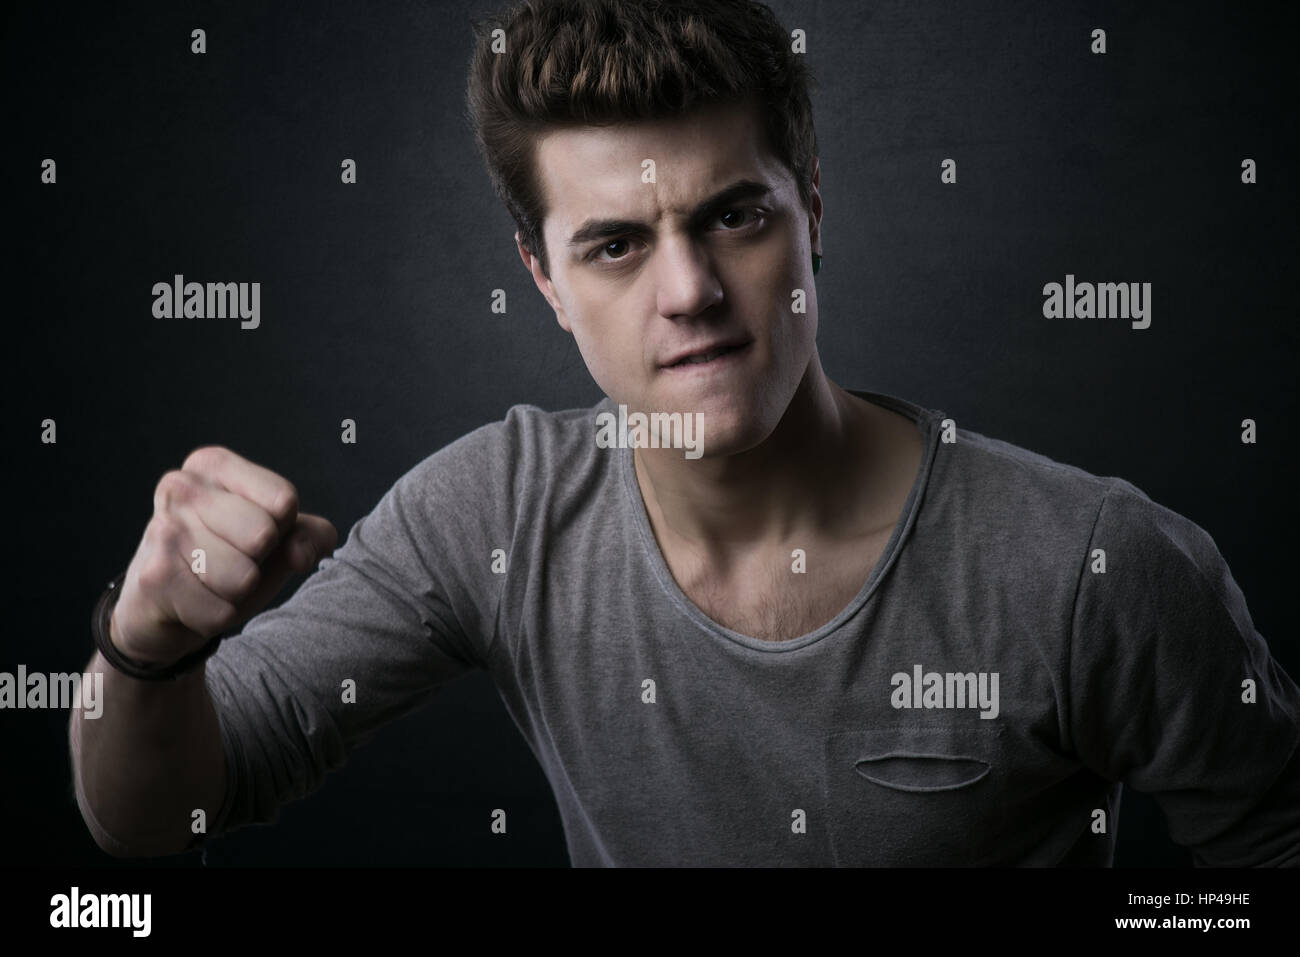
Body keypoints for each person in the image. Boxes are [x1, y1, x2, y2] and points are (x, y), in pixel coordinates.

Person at [69, 0, 1300, 866]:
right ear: (543, 281)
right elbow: (163, 813)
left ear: (810, 209)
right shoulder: (495, 516)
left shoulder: (1094, 564)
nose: (690, 293)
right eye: (614, 244)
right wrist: (147, 648)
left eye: (733, 218)